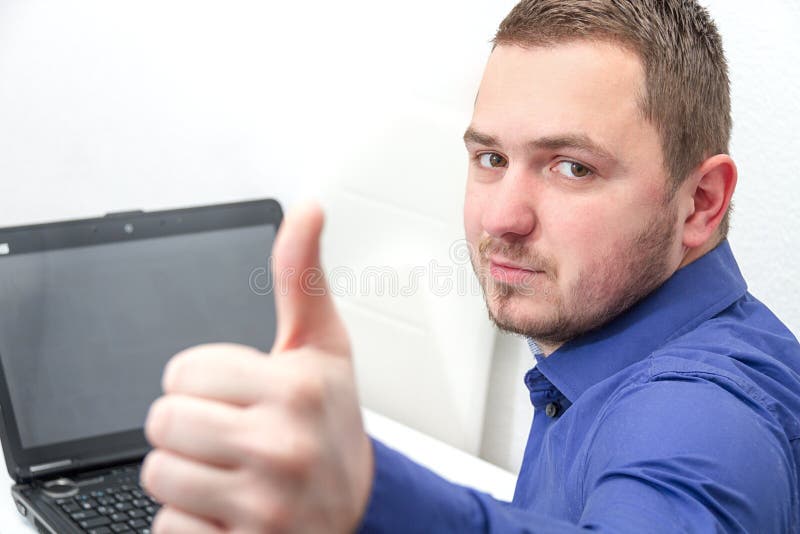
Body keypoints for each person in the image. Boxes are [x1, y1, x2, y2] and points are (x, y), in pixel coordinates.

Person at [140, 0, 800, 532]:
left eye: (572, 167)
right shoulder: (604, 349)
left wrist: (363, 493)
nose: (502, 218)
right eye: (490, 159)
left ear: (701, 202)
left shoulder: (706, 412)